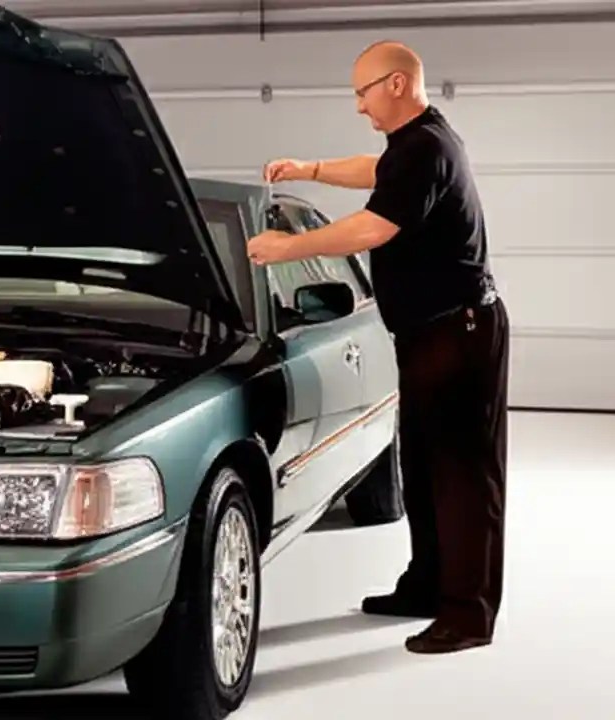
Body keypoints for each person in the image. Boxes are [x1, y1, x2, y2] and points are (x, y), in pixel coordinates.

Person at [247, 40, 510, 655]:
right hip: (430, 334)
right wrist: (309, 169)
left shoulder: (427, 147)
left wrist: (287, 249)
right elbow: (375, 170)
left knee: (462, 478)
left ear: (395, 84)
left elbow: (373, 226)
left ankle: (468, 615)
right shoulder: (417, 144)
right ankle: (426, 586)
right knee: (422, 469)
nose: (359, 106)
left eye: (362, 93)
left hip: (459, 332)